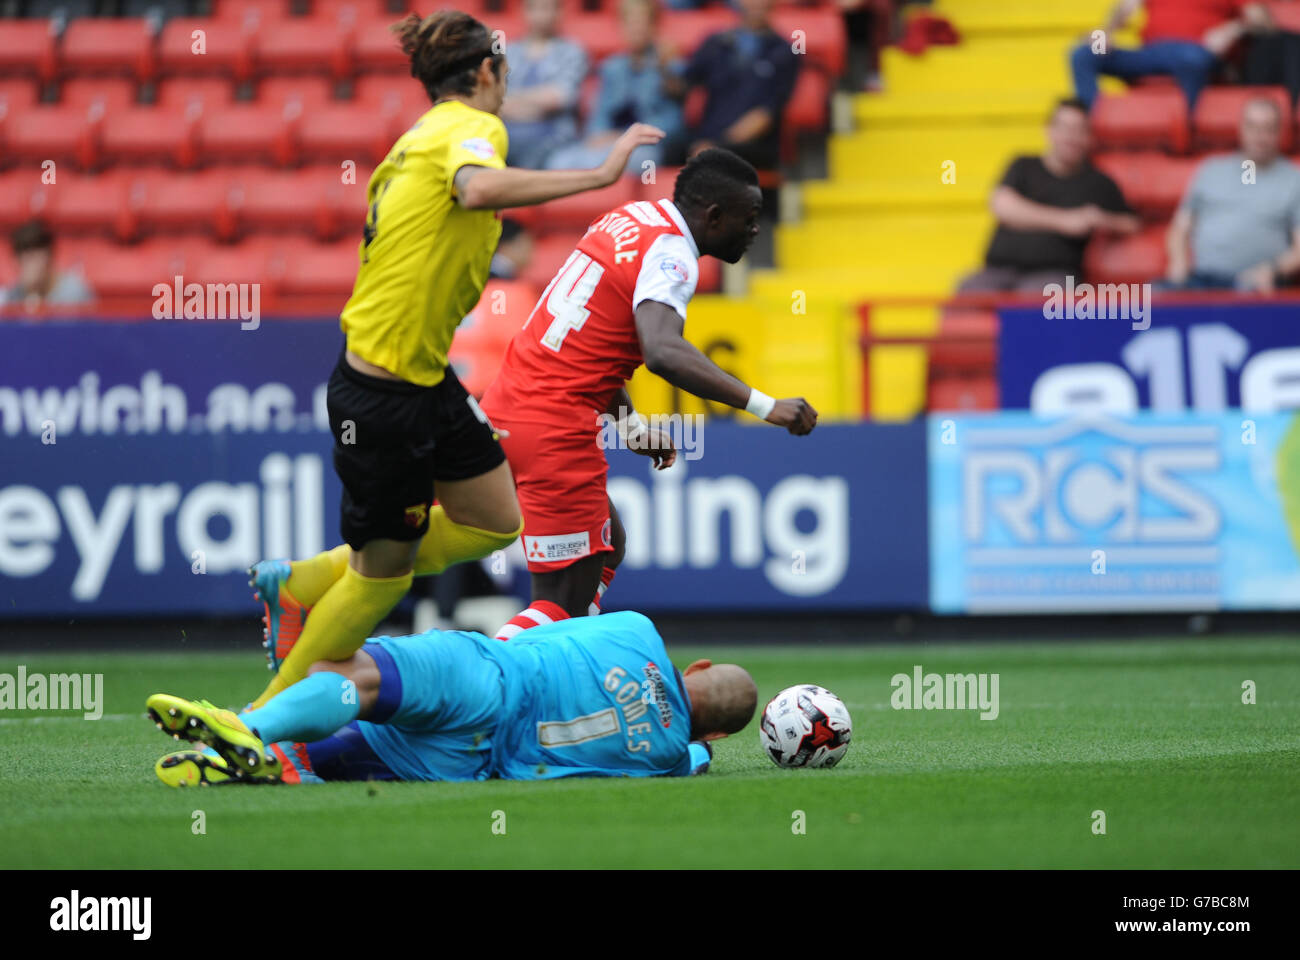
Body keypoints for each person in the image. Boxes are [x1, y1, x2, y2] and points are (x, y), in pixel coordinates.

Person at [244, 10, 664, 711]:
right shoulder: (473, 129)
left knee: (497, 518)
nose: (507, 82)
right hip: (385, 389)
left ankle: (299, 582)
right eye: (505, 69)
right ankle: (265, 721)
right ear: (486, 73)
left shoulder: (419, 138)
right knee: (385, 575)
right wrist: (595, 174)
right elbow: (476, 187)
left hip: (423, 376)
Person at [479, 148, 818, 632]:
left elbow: (592, 336)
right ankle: (486, 688)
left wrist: (631, 425)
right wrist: (766, 406)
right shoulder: (674, 255)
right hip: (554, 426)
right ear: (715, 215)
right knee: (559, 605)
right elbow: (662, 351)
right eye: (752, 217)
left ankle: (560, 671)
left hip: (510, 404)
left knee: (609, 543)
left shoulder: (631, 217)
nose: (756, 229)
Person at [146, 610, 757, 785]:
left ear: (696, 665)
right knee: (350, 756)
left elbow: (547, 624)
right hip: (476, 763)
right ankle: (240, 763)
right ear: (717, 733)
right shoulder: (673, 755)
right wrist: (697, 752)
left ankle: (251, 725)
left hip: (491, 677)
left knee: (357, 677)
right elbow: (693, 762)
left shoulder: (636, 629)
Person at [957, 98, 1140, 295]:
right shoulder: (1023, 165)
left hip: (1053, 276)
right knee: (967, 293)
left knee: (1036, 304)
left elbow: (1131, 223)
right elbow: (1002, 205)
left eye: (1079, 130)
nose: (1071, 137)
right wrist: (1066, 221)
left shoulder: (1098, 182)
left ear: (1089, 137)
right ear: (1049, 130)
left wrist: (1099, 219)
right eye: (1065, 128)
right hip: (997, 271)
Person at [1164, 97, 1300, 292]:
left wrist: (1271, 270)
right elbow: (1180, 228)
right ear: (1241, 129)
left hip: (1255, 284)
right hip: (1201, 281)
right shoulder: (1210, 170)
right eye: (1253, 126)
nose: (1260, 135)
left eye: (1268, 128)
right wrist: (1178, 263)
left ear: (1279, 132)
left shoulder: (1294, 179)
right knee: (1150, 299)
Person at [545, 0, 686, 174]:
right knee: (559, 162)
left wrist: (626, 136)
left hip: (645, 147)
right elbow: (599, 115)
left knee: (643, 161)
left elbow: (673, 124)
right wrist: (600, 136)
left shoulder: (668, 66)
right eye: (629, 23)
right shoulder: (611, 67)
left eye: (641, 22)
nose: (636, 29)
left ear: (653, 26)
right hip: (609, 144)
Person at [1070, 0, 1276, 110]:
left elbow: (1264, 22)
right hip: (1150, 54)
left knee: (1191, 59)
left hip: (1197, 52)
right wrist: (1107, 32)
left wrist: (1233, 28)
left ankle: (1185, 133)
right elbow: (1124, 9)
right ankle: (1092, 122)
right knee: (1083, 54)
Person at [665, 0, 798, 170]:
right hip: (708, 138)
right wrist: (667, 64)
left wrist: (718, 145)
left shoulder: (784, 51)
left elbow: (764, 116)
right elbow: (680, 87)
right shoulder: (715, 43)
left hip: (754, 145)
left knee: (714, 158)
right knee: (671, 151)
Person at [497, 0, 588, 169]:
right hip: (507, 138)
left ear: (558, 11)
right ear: (524, 11)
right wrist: (538, 103)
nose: (541, 15)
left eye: (546, 8)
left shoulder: (571, 50)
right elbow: (495, 102)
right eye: (534, 8)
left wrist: (514, 100)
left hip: (554, 141)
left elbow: (560, 98)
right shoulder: (508, 51)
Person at [0, 219, 94, 312]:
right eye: (23, 259)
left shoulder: (75, 293)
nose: (30, 266)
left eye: (34, 257)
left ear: (50, 257)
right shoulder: (11, 296)